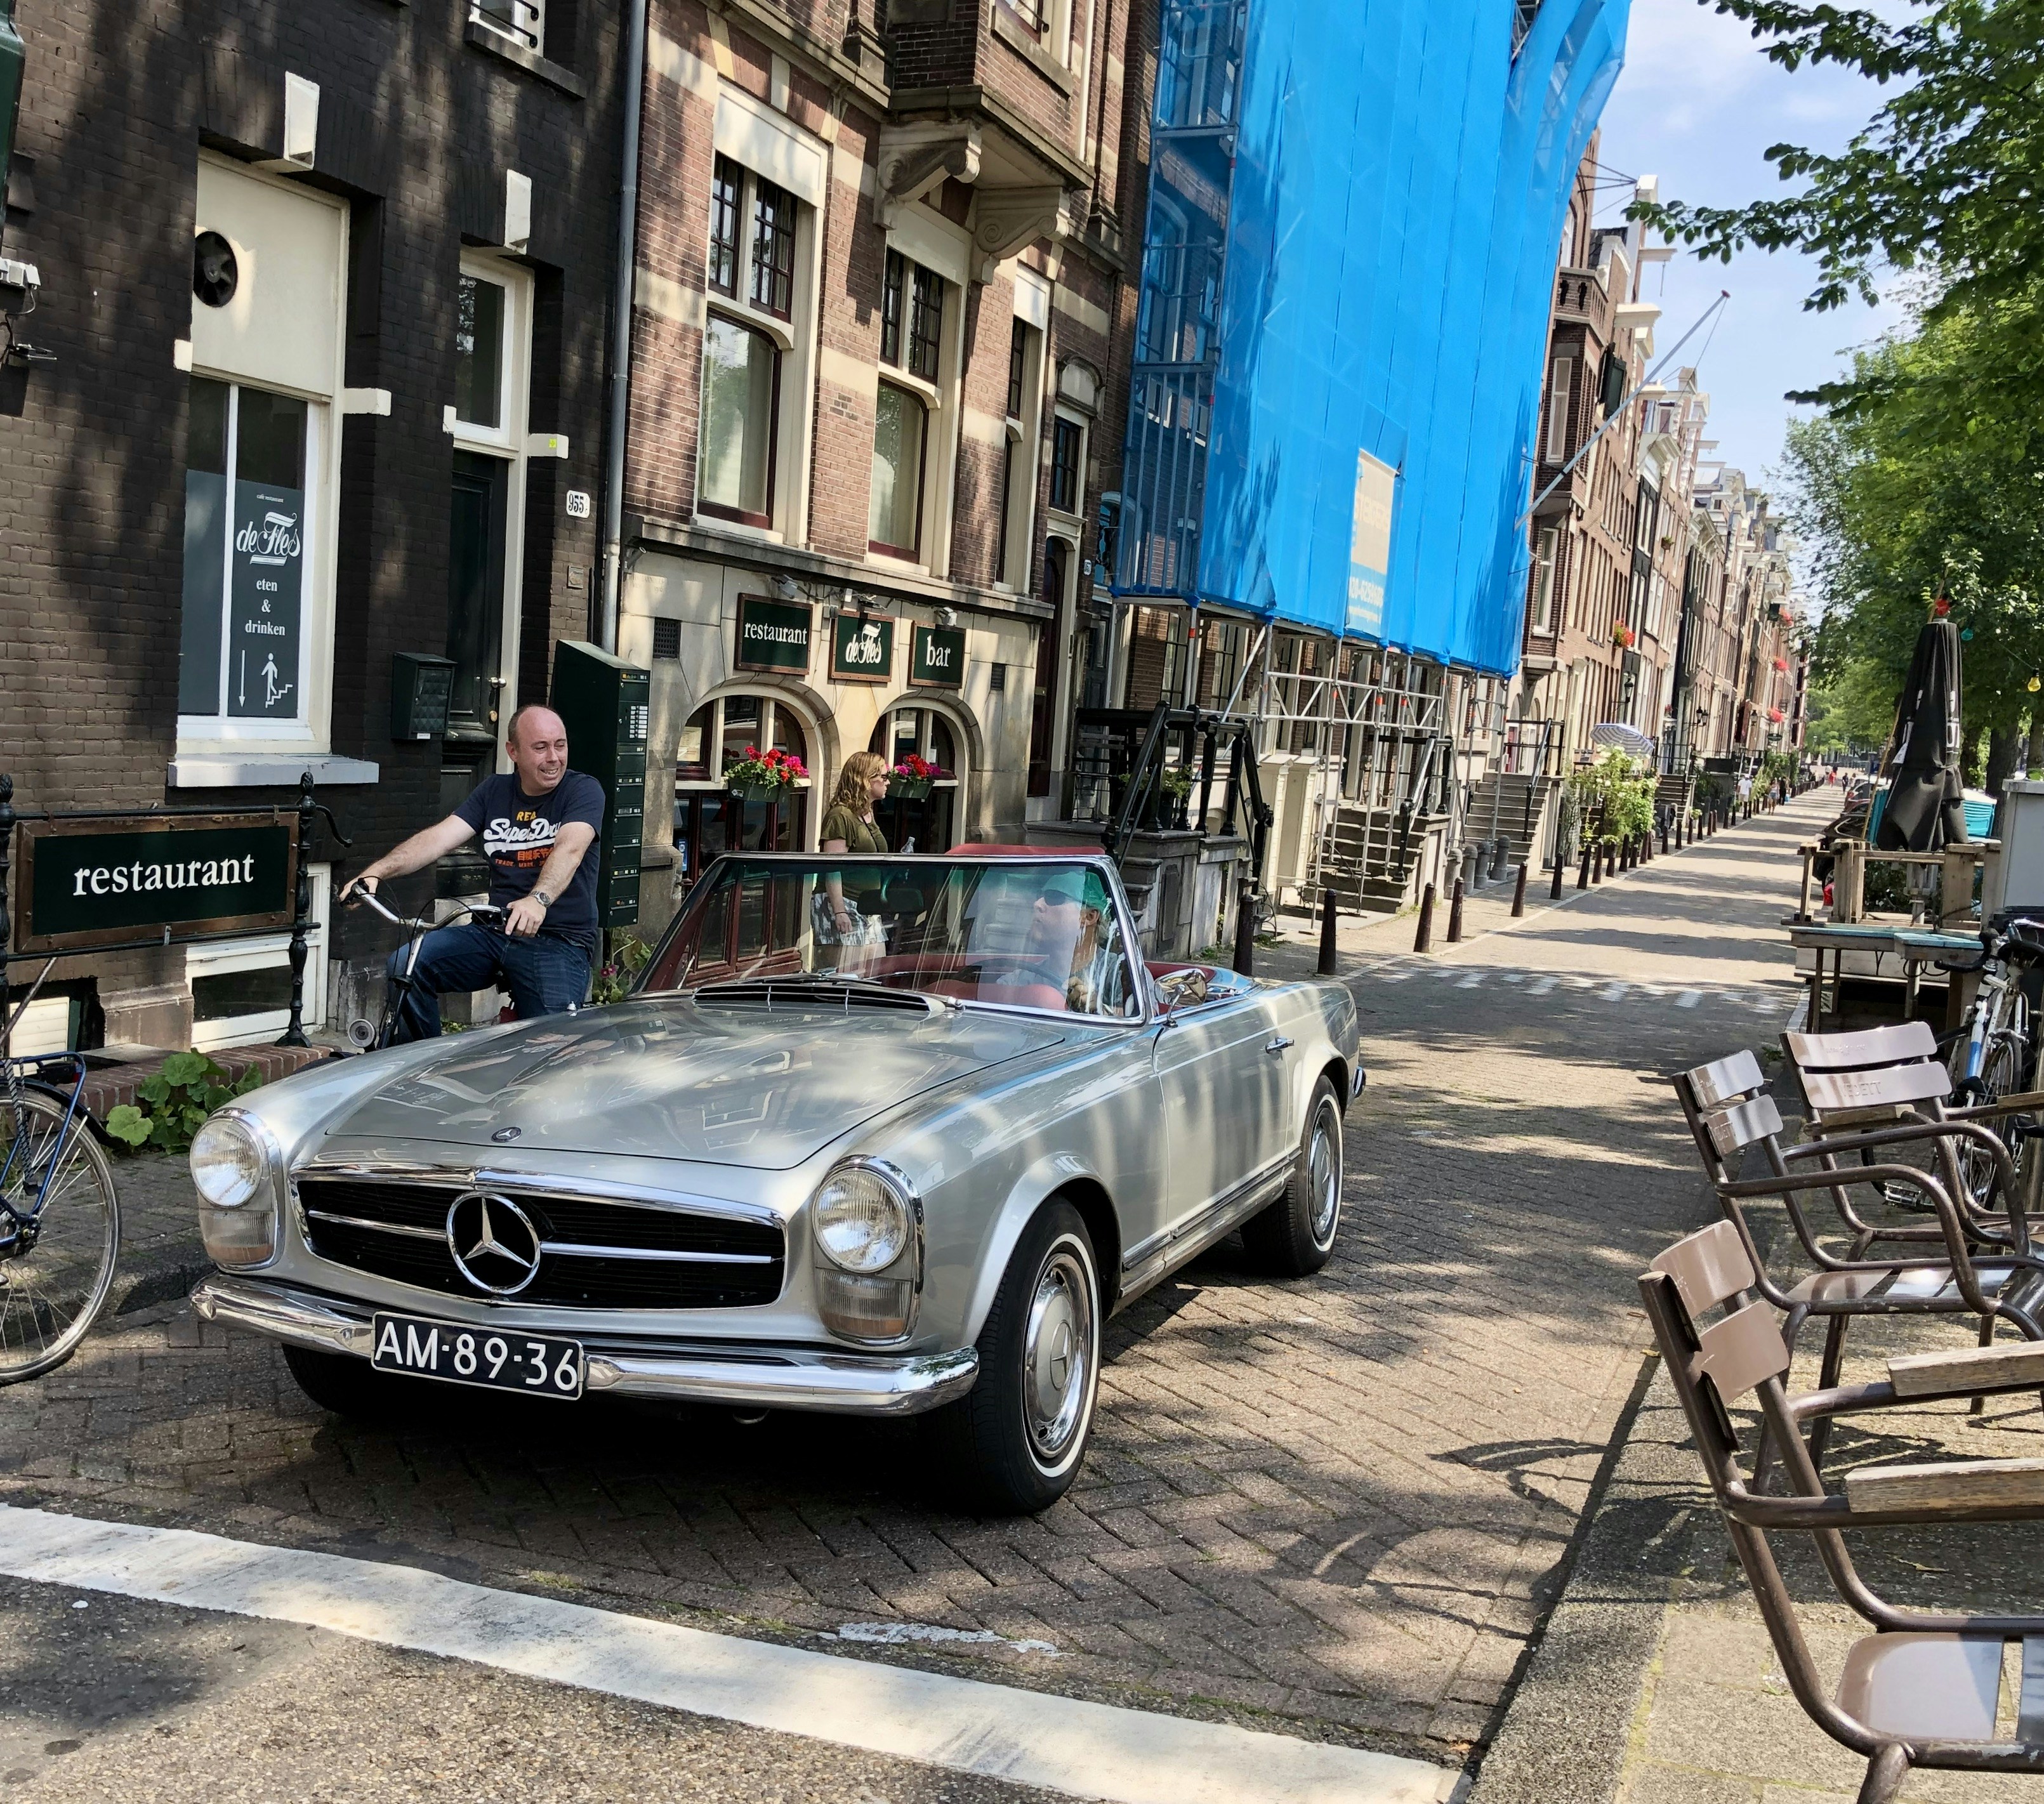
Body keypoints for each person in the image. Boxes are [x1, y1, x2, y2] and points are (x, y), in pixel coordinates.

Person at [338, 705, 605, 1041]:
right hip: (495, 930)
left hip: (558, 939)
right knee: (407, 965)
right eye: (540, 747)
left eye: (560, 745)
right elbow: (437, 839)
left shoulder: (582, 790)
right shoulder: (494, 791)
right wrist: (376, 873)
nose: (554, 758)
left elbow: (571, 849)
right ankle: (420, 1068)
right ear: (513, 752)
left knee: (550, 1044)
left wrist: (538, 900)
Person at [816, 751, 892, 971]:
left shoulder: (867, 813)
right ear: (866, 779)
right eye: (884, 777)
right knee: (849, 976)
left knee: (875, 974)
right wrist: (839, 911)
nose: (887, 782)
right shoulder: (840, 816)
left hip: (868, 906)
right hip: (846, 903)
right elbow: (832, 866)